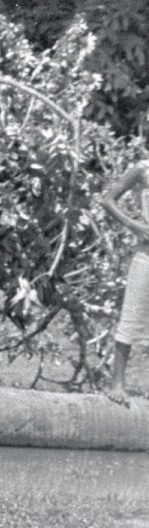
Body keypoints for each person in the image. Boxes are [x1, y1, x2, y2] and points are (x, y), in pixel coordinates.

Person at [98, 156, 149, 403]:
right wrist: (134, 225)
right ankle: (117, 384)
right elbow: (107, 199)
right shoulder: (143, 168)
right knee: (131, 316)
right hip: (146, 255)